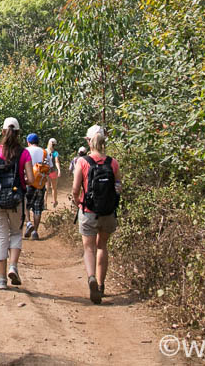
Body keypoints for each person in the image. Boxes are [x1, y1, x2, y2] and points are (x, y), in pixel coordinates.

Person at [0, 118, 33, 290]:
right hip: (17, 200)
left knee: (0, 237)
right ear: (18, 133)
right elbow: (31, 179)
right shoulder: (24, 153)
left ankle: (2, 279)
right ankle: (13, 266)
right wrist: (22, 180)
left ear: (2, 132)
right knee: (16, 233)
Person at [70, 125, 122, 304]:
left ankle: (91, 277)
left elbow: (75, 189)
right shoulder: (112, 163)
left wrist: (78, 203)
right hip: (107, 212)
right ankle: (101, 285)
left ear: (88, 141)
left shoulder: (83, 162)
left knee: (89, 248)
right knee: (102, 246)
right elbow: (118, 187)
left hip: (88, 210)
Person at [24, 133, 47, 239]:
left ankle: (28, 223)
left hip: (28, 182)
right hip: (40, 184)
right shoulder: (44, 152)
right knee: (37, 209)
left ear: (28, 142)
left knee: (25, 205)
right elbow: (49, 168)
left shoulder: (26, 151)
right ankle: (35, 232)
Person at [45, 137, 61, 209]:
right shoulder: (55, 153)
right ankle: (54, 201)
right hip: (53, 171)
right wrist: (59, 170)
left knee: (46, 188)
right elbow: (57, 162)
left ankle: (45, 203)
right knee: (53, 187)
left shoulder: (44, 151)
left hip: (46, 172)